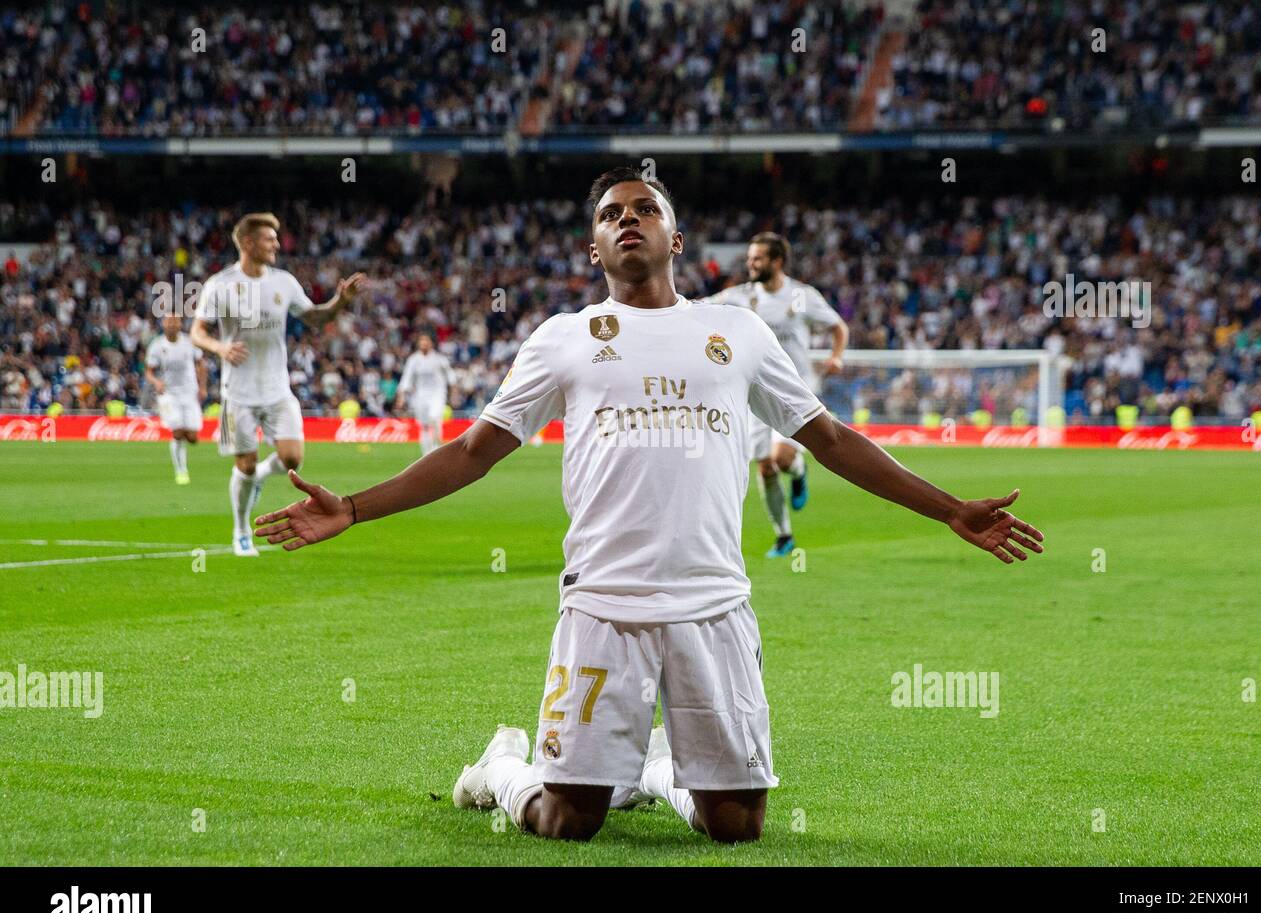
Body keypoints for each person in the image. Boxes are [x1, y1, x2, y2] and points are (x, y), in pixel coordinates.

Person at [253, 169, 1044, 843]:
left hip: (713, 603)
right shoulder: (564, 338)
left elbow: (831, 439)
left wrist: (948, 509)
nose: (627, 220)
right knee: (569, 820)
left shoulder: (736, 333)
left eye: (645, 209)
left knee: (736, 825)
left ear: (676, 237)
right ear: (593, 249)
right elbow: (472, 452)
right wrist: (354, 507)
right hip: (604, 603)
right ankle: (500, 766)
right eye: (610, 215)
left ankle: (660, 767)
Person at [190, 212, 365, 556]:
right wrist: (220, 347)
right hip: (236, 393)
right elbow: (197, 332)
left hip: (277, 389)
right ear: (249, 243)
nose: (276, 245)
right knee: (245, 464)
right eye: (269, 239)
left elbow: (315, 317)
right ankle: (241, 530)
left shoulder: (283, 282)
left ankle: (254, 482)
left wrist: (340, 302)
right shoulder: (219, 284)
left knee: (292, 458)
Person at [703, 233, 848, 556]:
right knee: (765, 465)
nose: (750, 264)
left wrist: (836, 356)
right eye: (749, 258)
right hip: (754, 393)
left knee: (781, 459)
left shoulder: (802, 296)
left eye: (757, 259)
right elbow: (699, 308)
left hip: (796, 389)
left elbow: (839, 327)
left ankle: (798, 470)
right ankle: (784, 537)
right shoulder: (740, 296)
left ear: (777, 262)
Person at [144, 313, 206, 484]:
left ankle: (183, 442)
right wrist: (156, 382)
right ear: (163, 324)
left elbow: (201, 363)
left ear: (180, 324)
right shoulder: (157, 346)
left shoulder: (189, 342)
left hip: (189, 393)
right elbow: (149, 372)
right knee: (177, 432)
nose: (172, 324)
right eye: (169, 321)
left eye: (175, 321)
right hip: (168, 395)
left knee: (192, 438)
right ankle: (181, 471)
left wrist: (202, 387)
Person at [395, 333, 453, 456]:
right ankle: (427, 454)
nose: (424, 343)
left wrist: (454, 393)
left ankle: (437, 447)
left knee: (434, 419)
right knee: (424, 426)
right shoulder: (413, 360)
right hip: (421, 395)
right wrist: (401, 397)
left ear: (431, 343)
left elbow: (450, 376)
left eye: (426, 340)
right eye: (421, 340)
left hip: (438, 394)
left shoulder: (439, 359)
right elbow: (406, 378)